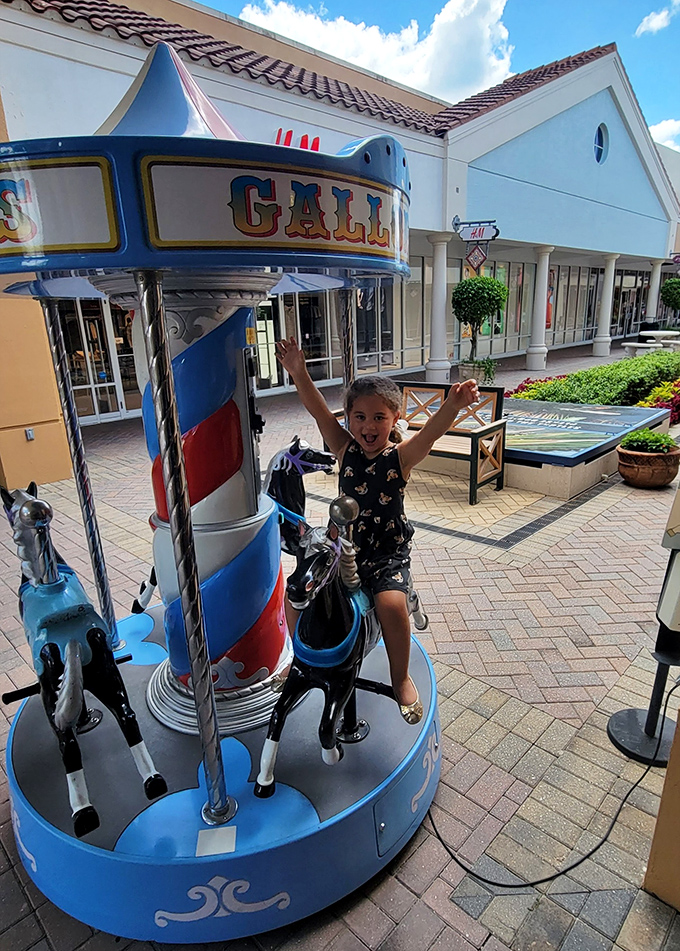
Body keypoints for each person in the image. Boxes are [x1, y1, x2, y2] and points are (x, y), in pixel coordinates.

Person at [275, 336, 480, 725]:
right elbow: (319, 412)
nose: (369, 427)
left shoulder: (399, 458)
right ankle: (298, 656)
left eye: (379, 418)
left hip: (385, 552)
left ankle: (399, 676)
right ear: (349, 418)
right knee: (297, 590)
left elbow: (431, 434)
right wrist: (299, 373)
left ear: (395, 420)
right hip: (343, 548)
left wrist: (452, 405)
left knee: (390, 604)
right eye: (361, 417)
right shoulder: (344, 448)